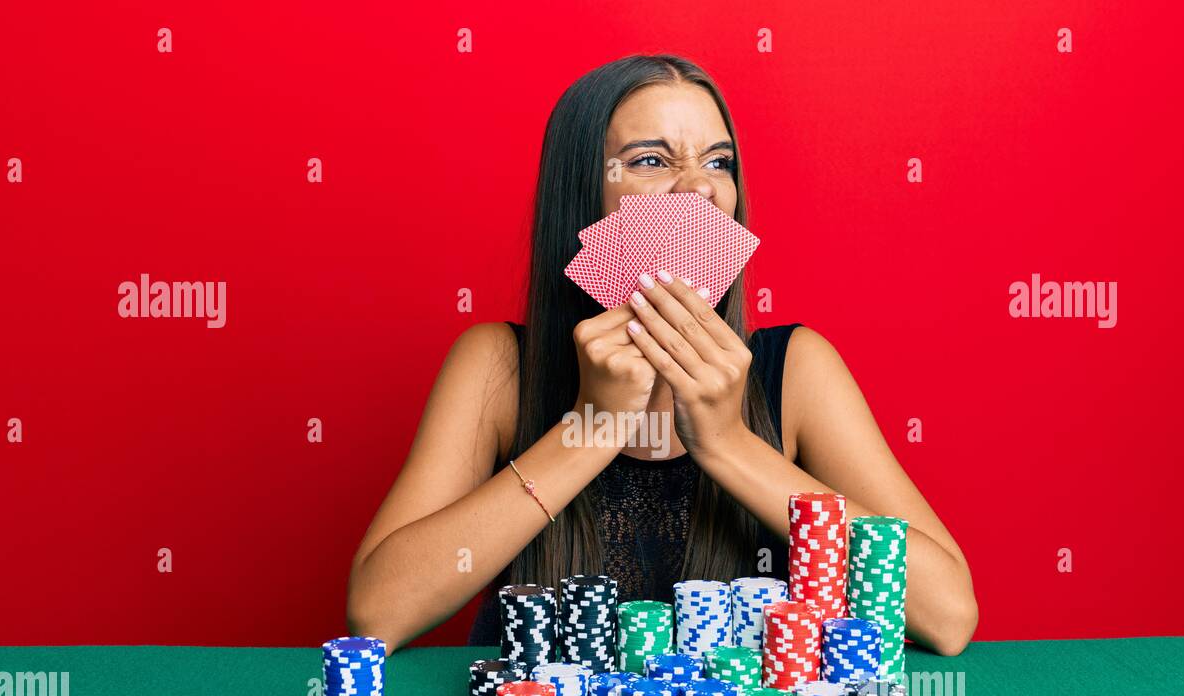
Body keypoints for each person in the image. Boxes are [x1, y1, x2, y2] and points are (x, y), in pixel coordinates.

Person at [347, 54, 977, 657]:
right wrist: (593, 427)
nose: (699, 189)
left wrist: (728, 442)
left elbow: (946, 617)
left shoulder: (797, 369)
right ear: (582, 195)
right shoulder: (496, 365)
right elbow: (379, 611)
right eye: (650, 160)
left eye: (718, 161)